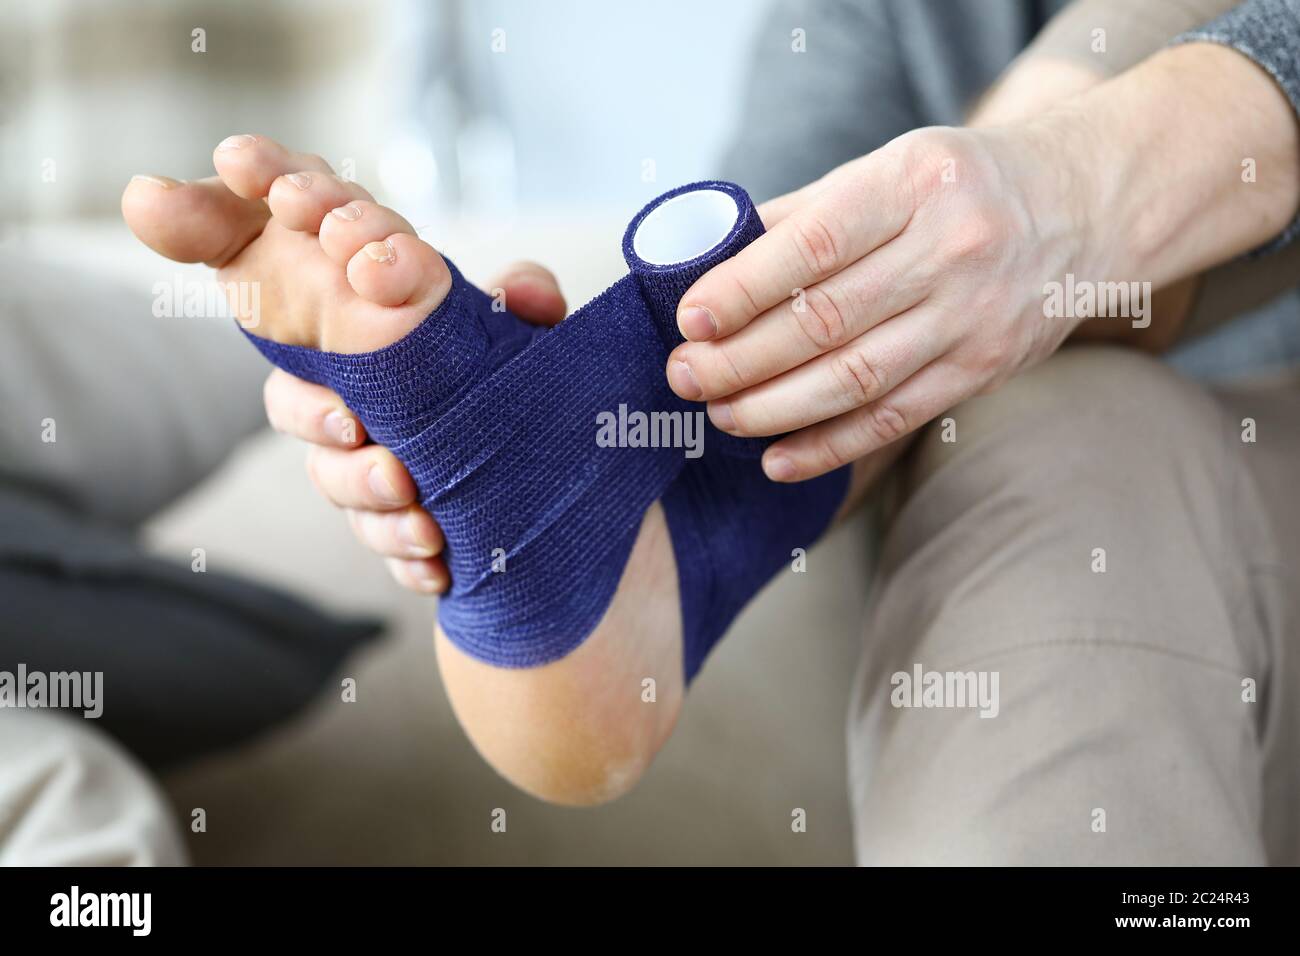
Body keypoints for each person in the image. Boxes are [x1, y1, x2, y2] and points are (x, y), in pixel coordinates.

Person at [122, 0, 1300, 862]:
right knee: (1061, 428)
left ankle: (567, 514)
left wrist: (1089, 180)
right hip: (1139, 504)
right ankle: (634, 550)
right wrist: (560, 429)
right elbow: (742, 323)